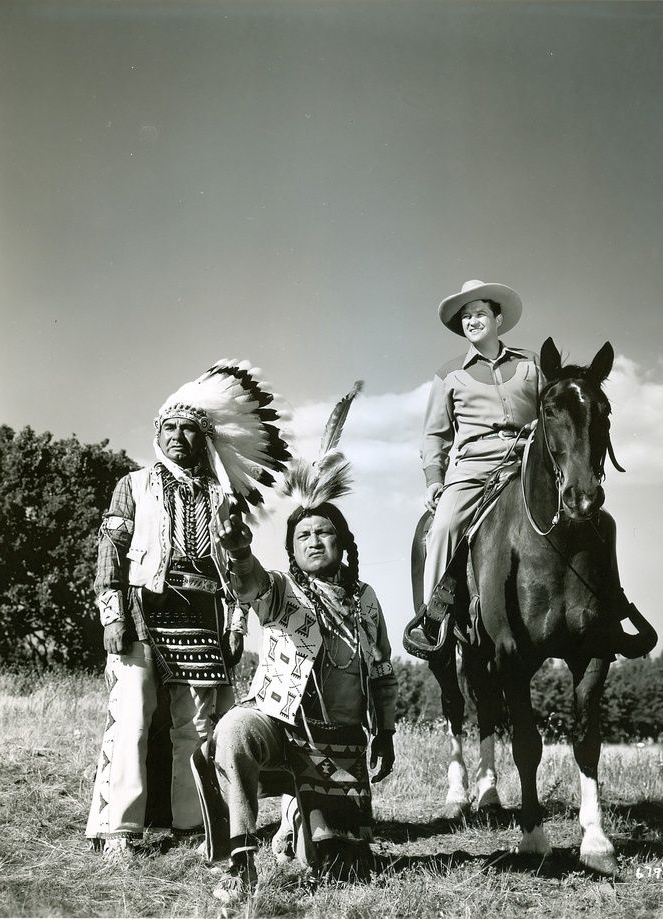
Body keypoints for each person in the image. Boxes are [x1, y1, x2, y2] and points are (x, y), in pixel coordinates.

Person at [191, 392, 398, 905]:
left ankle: (302, 831)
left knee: (337, 871)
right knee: (234, 728)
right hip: (279, 729)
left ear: (342, 544)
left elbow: (383, 671)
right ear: (292, 547)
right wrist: (238, 549)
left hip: (338, 747)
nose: (313, 540)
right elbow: (249, 583)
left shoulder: (366, 600)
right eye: (303, 534)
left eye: (324, 532)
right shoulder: (282, 589)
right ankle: (241, 860)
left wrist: (387, 732)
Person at [85, 360, 289, 858]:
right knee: (131, 716)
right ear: (157, 433)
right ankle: (120, 828)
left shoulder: (223, 498)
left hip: (202, 619)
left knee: (195, 728)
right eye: (170, 427)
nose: (179, 436)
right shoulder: (132, 486)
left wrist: (238, 623)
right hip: (138, 614)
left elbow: (234, 570)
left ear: (205, 440)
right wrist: (112, 615)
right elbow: (110, 552)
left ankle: (191, 825)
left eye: (190, 429)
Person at [405, 278, 543, 655]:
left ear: (497, 318)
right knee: (444, 526)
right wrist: (435, 480)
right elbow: (435, 435)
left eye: (479, 313)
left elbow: (556, 411)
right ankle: (433, 619)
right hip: (473, 468)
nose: (472, 320)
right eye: (466, 317)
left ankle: (608, 608)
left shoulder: (532, 363)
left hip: (529, 462)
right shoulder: (448, 373)